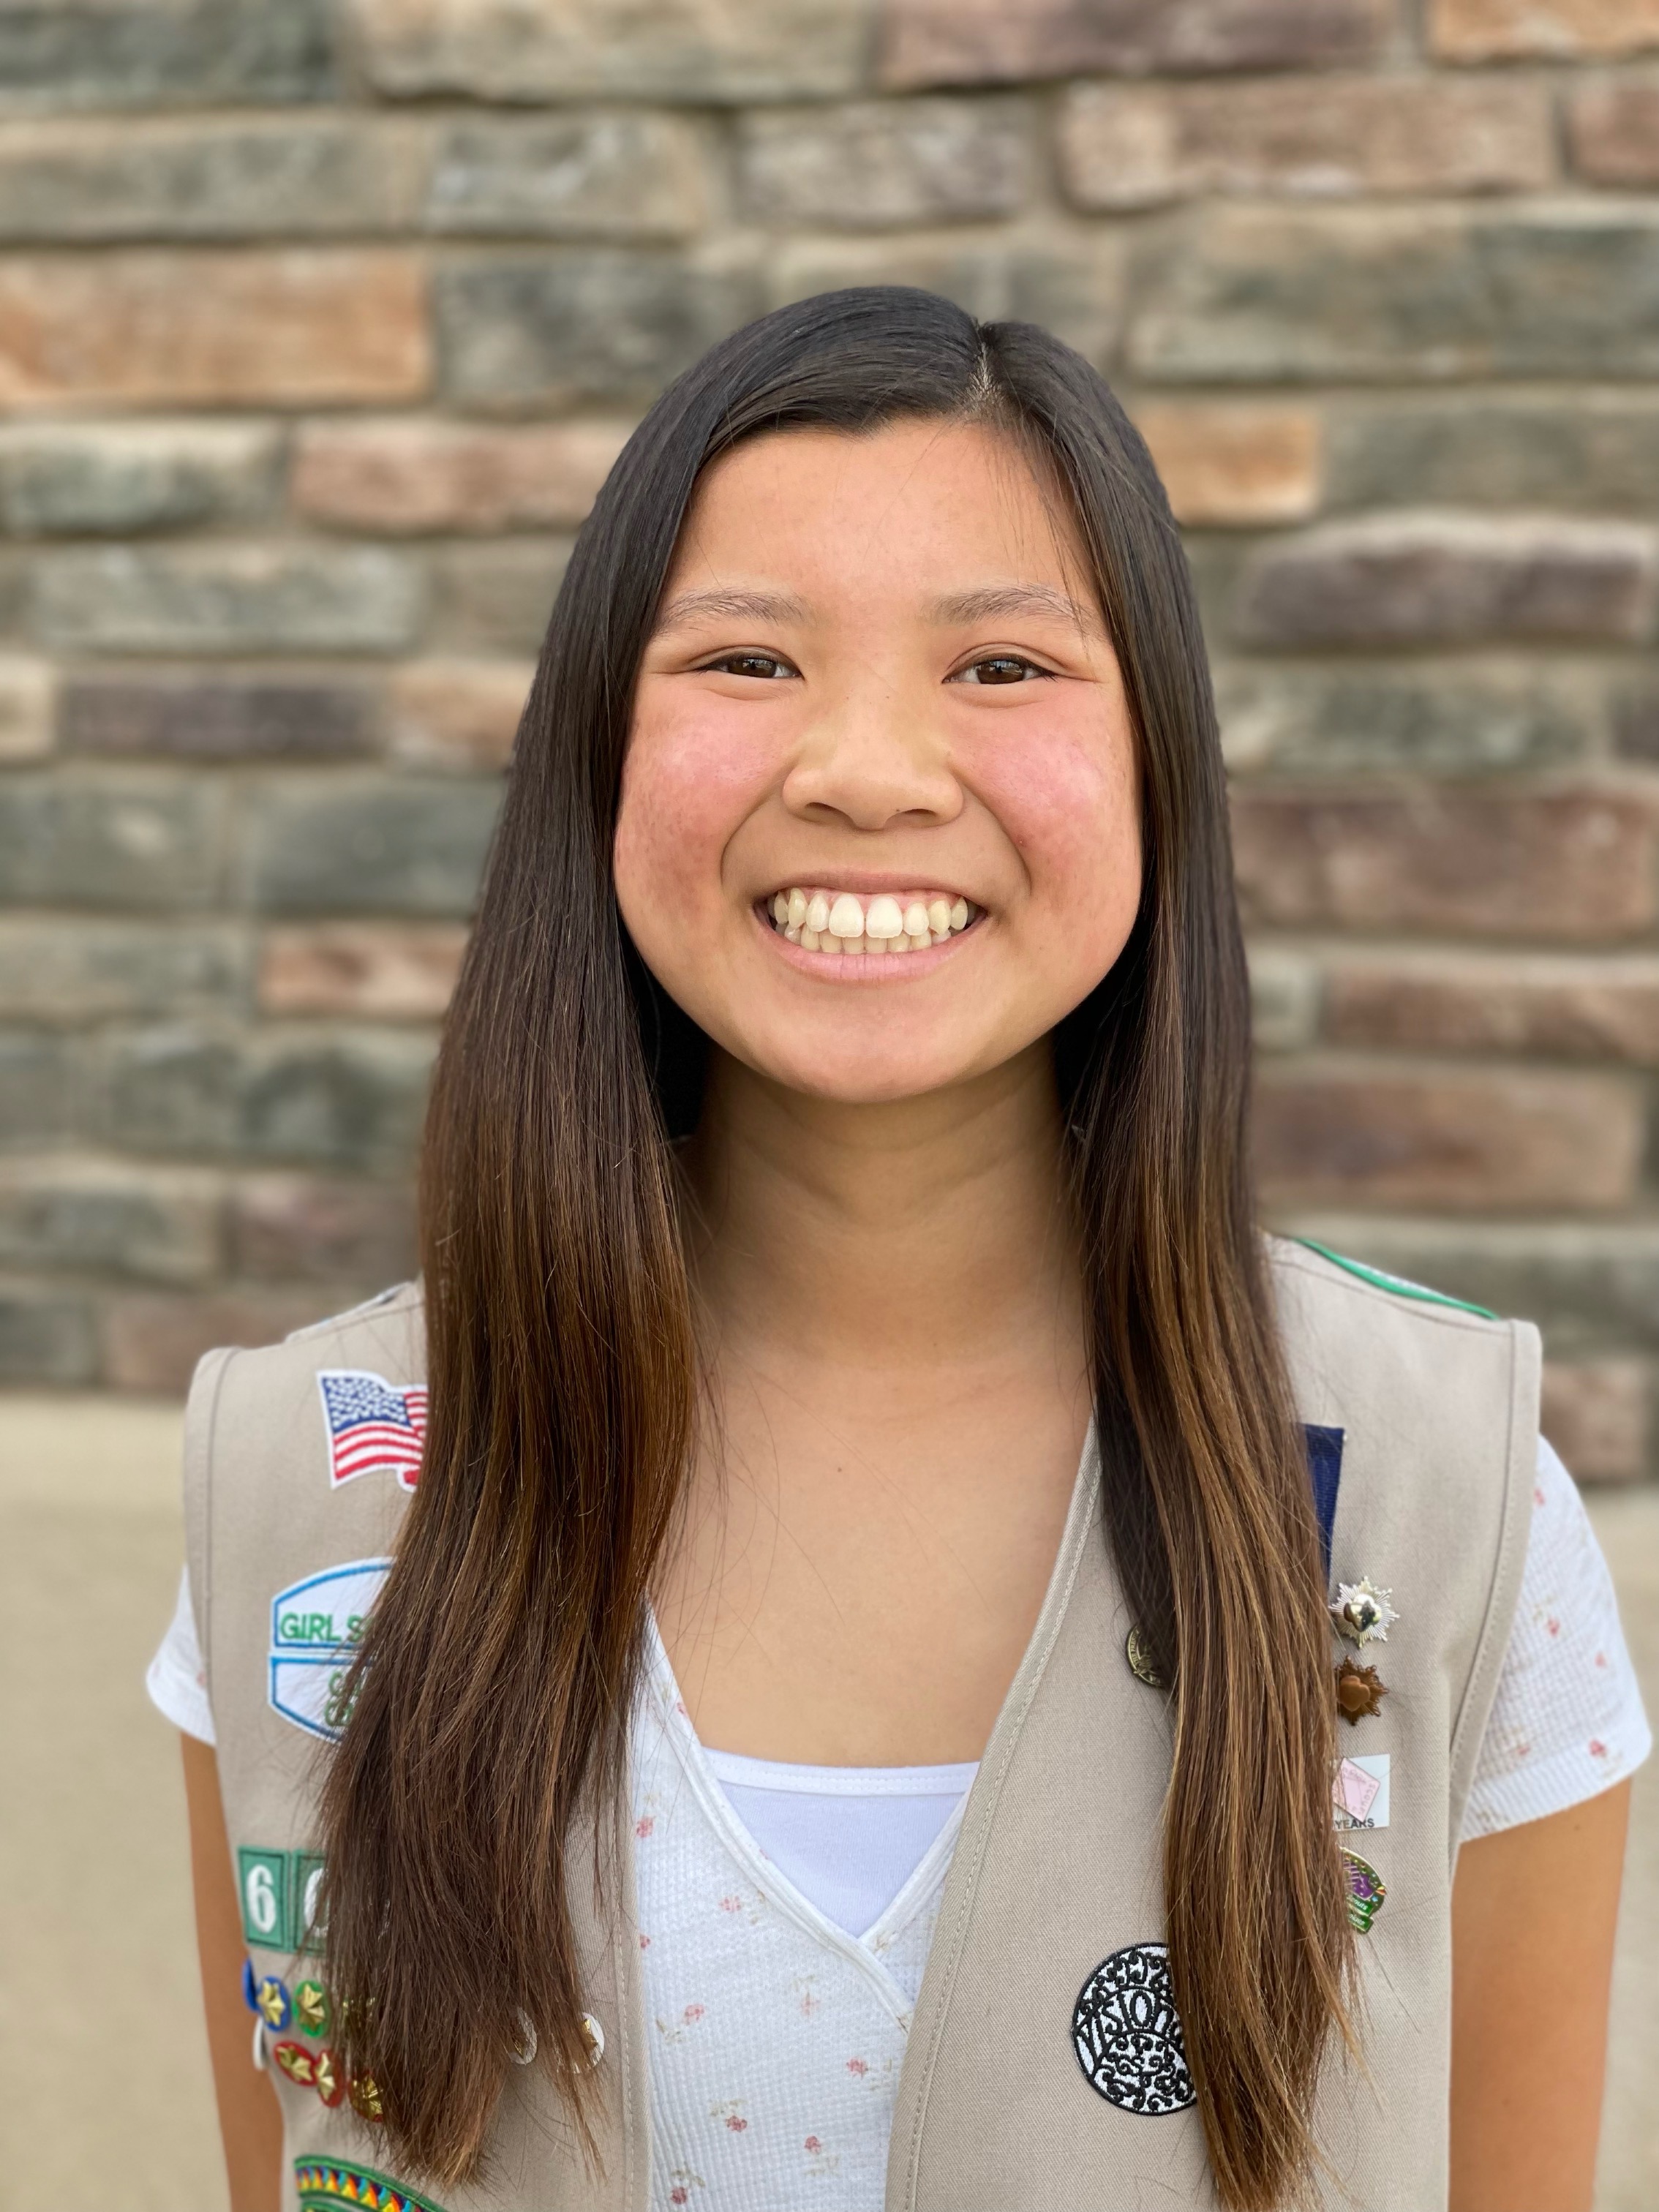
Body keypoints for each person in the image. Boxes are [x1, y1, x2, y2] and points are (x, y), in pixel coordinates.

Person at [148, 289, 1649, 2212]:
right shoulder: (302, 1485)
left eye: (1002, 665)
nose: (866, 768)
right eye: (747, 659)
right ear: (596, 748)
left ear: (1157, 759)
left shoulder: (1443, 1499)